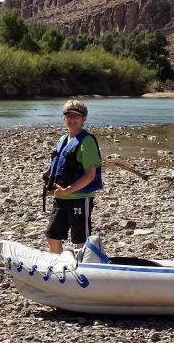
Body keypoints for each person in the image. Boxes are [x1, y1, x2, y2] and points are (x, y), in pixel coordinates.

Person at [44, 99, 103, 254]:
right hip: (61, 198)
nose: (72, 119)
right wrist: (52, 188)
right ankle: (57, 265)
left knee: (81, 241)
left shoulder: (87, 141)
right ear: (64, 117)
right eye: (68, 115)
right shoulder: (63, 139)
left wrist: (68, 190)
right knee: (52, 237)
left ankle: (84, 266)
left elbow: (90, 175)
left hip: (79, 198)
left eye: (76, 115)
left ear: (84, 119)